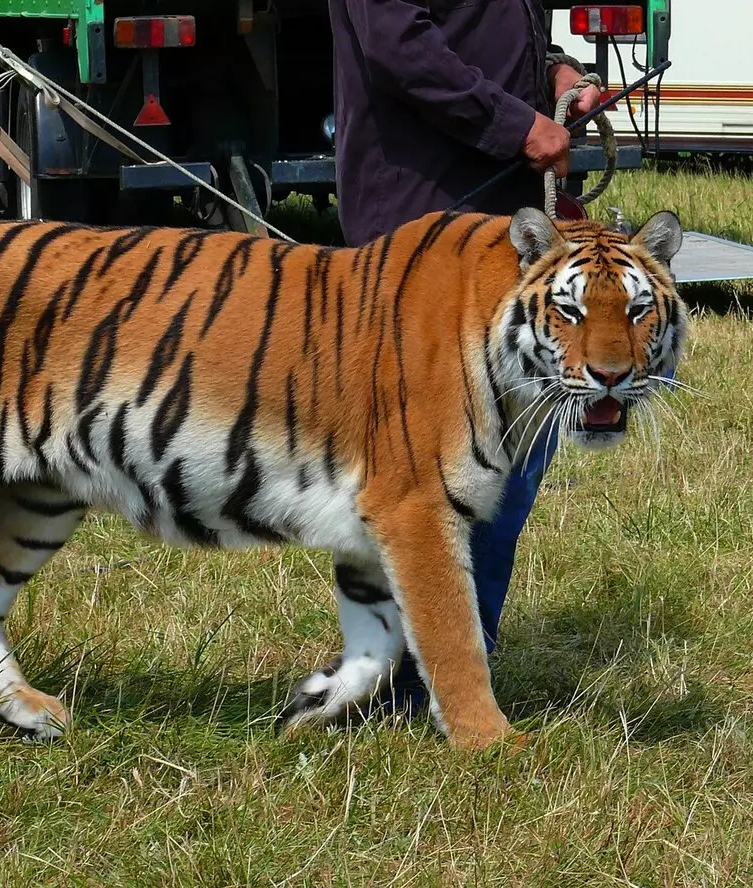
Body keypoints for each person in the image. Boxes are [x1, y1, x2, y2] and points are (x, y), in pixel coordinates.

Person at [326, 0, 601, 710]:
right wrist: (518, 125)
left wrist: (554, 74)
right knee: (433, 474)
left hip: (493, 219)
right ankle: (415, 679)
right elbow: (395, 41)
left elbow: (488, 29)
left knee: (506, 461)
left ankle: (436, 664)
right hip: (421, 216)